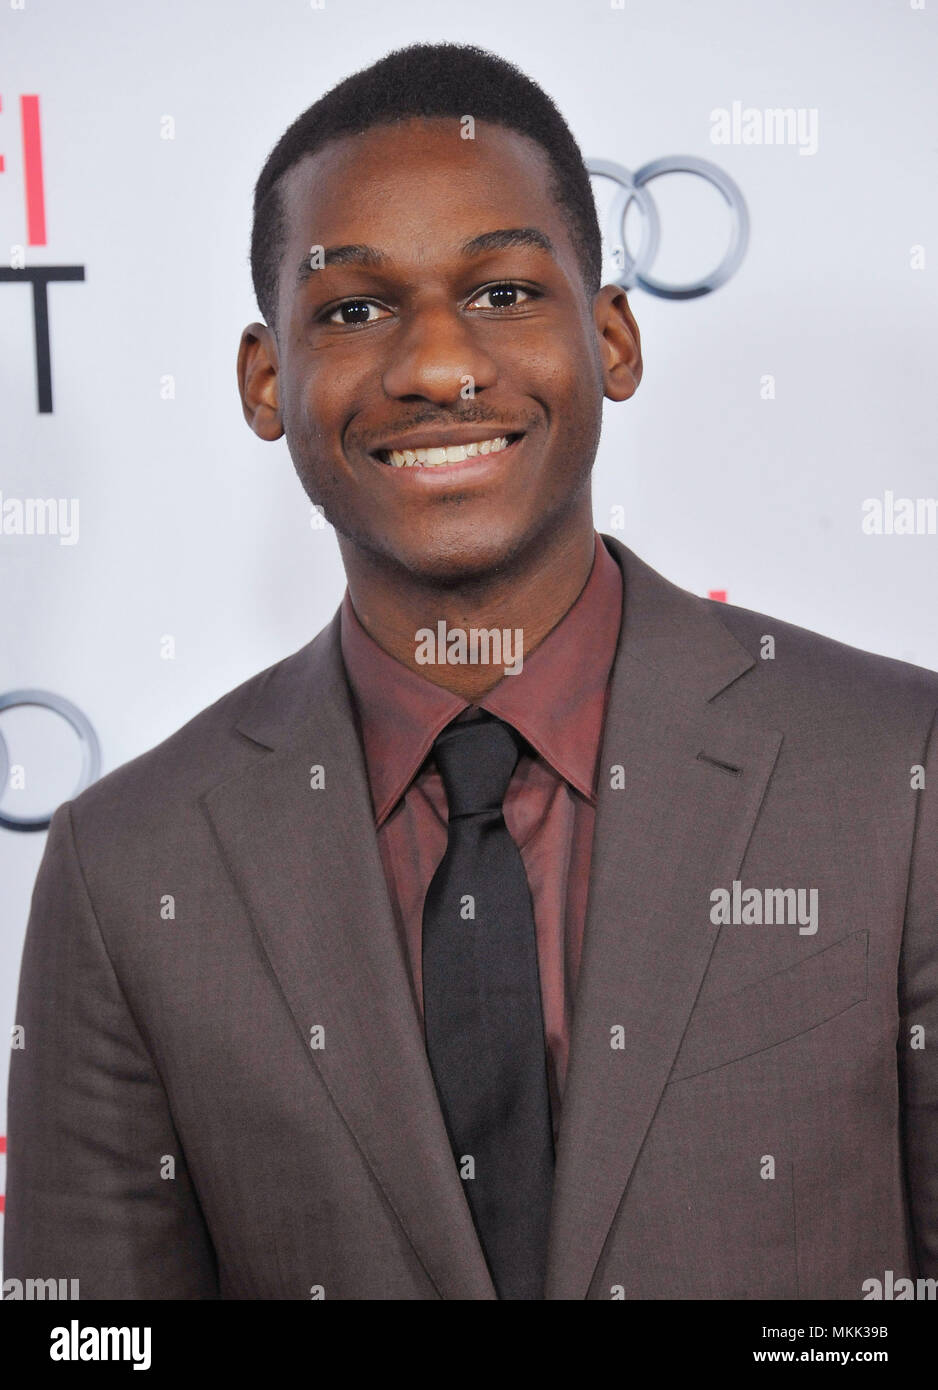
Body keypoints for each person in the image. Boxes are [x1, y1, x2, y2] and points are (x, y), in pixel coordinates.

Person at [5, 41, 937, 1301]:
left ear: (610, 336)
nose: (438, 366)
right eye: (352, 307)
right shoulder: (129, 867)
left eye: (500, 292)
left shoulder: (895, 776)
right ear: (265, 378)